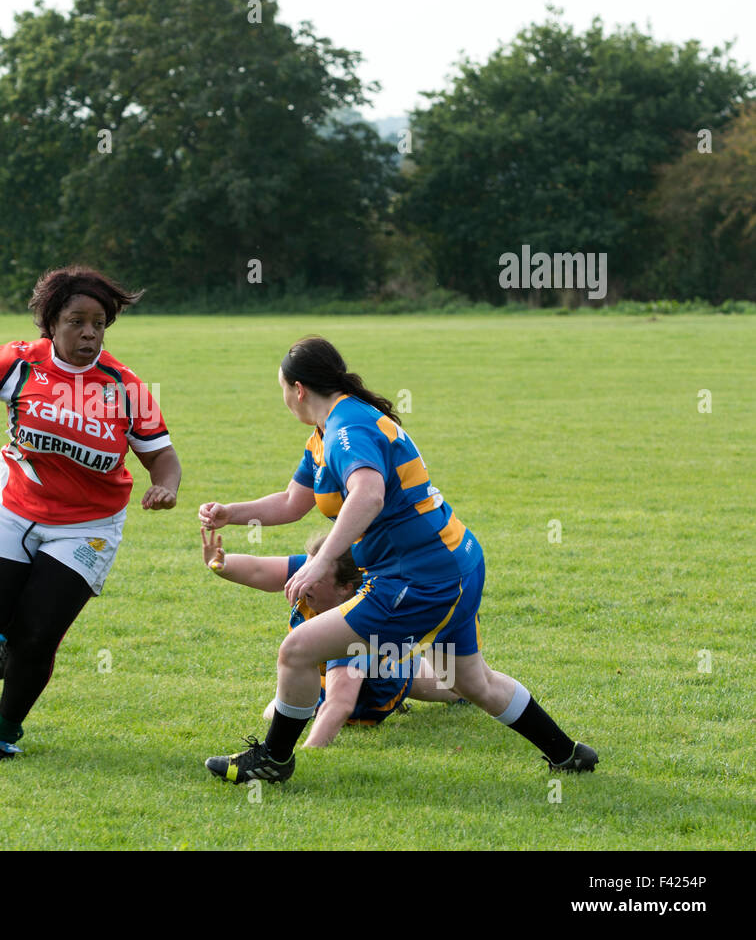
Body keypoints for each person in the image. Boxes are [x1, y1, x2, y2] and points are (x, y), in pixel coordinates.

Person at [200, 335, 596, 783]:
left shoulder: (349, 428)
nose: (284, 400)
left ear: (299, 390)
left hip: (420, 578)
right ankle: (569, 755)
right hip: (455, 560)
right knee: (472, 682)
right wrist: (232, 514)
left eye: (282, 391)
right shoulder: (330, 430)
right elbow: (294, 501)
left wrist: (321, 560)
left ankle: (273, 761)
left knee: (297, 649)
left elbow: (368, 495)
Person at [0, 265, 181, 761]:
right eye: (77, 320)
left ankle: (4, 733)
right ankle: (3, 635)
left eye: (99, 323)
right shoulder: (16, 363)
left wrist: (165, 485)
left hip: (88, 526)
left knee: (40, 635)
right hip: (14, 510)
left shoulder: (127, 387)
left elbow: (162, 456)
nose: (89, 333)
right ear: (51, 321)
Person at [201, 528, 464, 748]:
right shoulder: (313, 571)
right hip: (375, 662)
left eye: (315, 576)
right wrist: (221, 564)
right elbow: (259, 569)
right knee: (274, 711)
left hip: (382, 683)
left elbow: (339, 705)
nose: (303, 578)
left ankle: (466, 689)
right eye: (306, 567)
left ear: (345, 589)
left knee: (458, 687)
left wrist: (309, 752)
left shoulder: (352, 630)